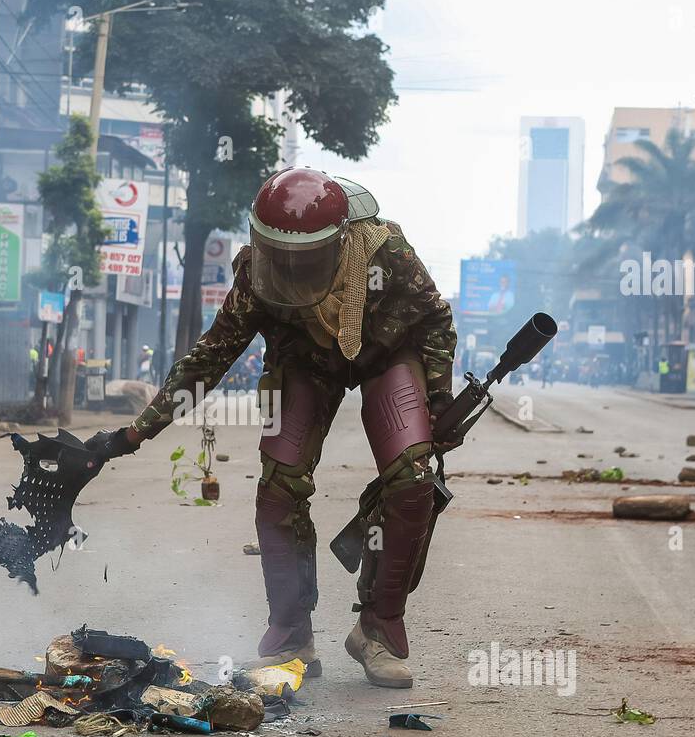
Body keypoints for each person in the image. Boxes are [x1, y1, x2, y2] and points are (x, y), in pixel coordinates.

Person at [85, 167, 457, 688]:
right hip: (306, 365)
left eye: (302, 261)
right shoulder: (253, 275)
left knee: (413, 482)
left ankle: (380, 629)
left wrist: (438, 399)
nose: (288, 270)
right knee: (279, 488)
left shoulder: (385, 254)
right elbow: (210, 359)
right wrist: (135, 433)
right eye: (278, 257)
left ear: (340, 242)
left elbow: (436, 319)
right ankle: (289, 633)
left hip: (386, 358)